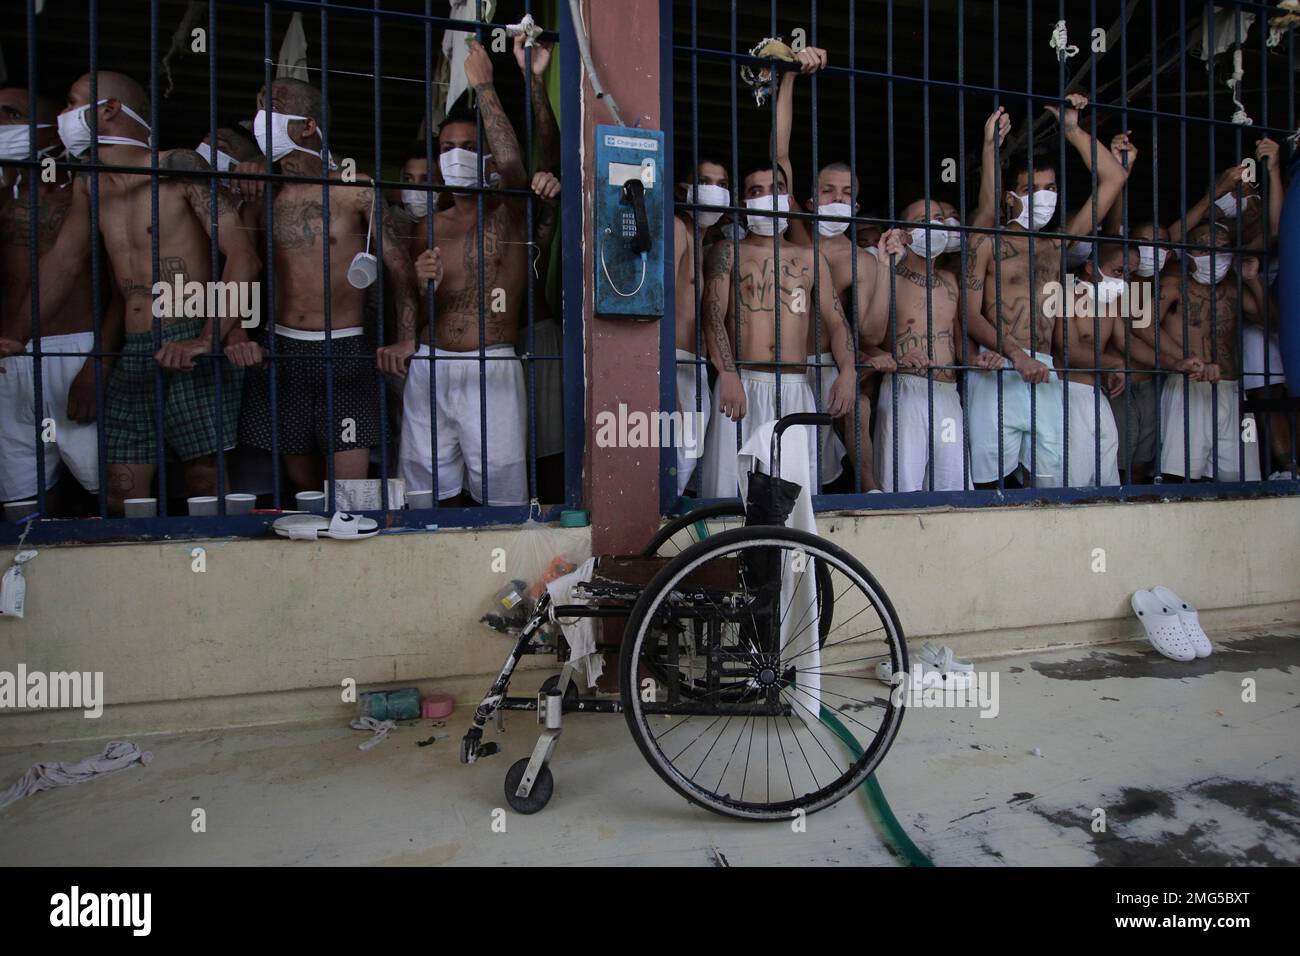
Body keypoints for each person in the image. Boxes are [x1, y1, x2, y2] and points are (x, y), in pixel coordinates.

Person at [16, 72, 257, 514]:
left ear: (107, 109)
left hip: (193, 330)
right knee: (120, 486)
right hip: (134, 344)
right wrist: (16, 334)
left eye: (71, 104)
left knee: (203, 478)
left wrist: (209, 337)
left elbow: (242, 256)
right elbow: (64, 262)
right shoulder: (90, 184)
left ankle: (209, 573)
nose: (63, 116)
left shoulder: (177, 165)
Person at [226, 77, 418, 495]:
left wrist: (405, 340)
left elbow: (399, 268)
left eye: (273, 106)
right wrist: (237, 330)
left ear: (308, 125)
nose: (262, 118)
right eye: (259, 107)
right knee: (304, 487)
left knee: (350, 492)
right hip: (279, 348)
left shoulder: (354, 190)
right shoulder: (261, 192)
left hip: (346, 349)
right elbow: (242, 264)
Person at [961, 95, 1127, 488]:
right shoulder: (987, 244)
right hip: (996, 366)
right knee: (989, 487)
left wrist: (1073, 129)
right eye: (1032, 188)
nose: (1044, 196)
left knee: (1053, 484)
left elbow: (1114, 179)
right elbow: (968, 315)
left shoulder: (1057, 244)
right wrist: (1014, 356)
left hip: (1044, 372)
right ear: (1011, 196)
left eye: (1050, 188)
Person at [399, 40, 532, 507]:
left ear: (487, 155)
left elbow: (516, 169)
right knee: (422, 493)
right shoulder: (427, 225)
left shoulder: (508, 214)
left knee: (502, 491)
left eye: (469, 148)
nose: (456, 156)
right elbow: (410, 303)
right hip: (430, 364)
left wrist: (486, 88)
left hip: (490, 363)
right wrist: (419, 283)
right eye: (447, 148)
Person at [697, 162, 857, 498]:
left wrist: (849, 371)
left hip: (797, 388)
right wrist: (726, 373)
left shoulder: (811, 259)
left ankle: (791, 554)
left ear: (788, 198)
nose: (767, 198)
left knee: (794, 497)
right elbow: (713, 313)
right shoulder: (728, 252)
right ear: (743, 203)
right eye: (756, 191)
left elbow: (838, 320)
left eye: (775, 189)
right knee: (729, 492)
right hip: (741, 385)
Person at [0, 87, 116, 511]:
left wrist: (97, 361)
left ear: (50, 126)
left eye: (10, 114)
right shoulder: (7, 190)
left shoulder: (87, 188)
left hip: (76, 352)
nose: (0, 124)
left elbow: (123, 285)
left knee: (110, 494)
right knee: (21, 504)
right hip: (10, 362)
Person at [774, 47, 881, 490]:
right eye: (828, 192)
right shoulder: (800, 234)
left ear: (856, 205)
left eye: (846, 193)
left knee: (860, 406)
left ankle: (871, 489)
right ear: (813, 199)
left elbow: (870, 332)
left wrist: (854, 368)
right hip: (794, 362)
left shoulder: (863, 260)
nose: (836, 200)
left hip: (840, 362)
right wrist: (791, 77)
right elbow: (780, 156)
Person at [867, 209, 997, 492]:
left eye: (938, 218)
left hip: (948, 394)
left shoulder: (950, 280)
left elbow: (958, 338)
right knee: (902, 487)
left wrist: (977, 359)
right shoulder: (890, 277)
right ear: (904, 232)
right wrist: (899, 359)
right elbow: (868, 336)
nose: (934, 225)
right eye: (922, 220)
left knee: (952, 486)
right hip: (906, 390)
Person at [1154, 223, 1264, 482]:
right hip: (1190, 384)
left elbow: (1271, 321)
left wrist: (1254, 280)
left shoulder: (1235, 288)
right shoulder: (1174, 284)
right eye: (1205, 248)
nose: (1215, 254)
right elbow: (1142, 327)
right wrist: (1181, 360)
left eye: (1223, 248)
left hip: (1234, 389)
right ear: (1190, 253)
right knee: (1181, 475)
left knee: (1244, 479)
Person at [673, 155, 730, 495]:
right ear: (686, 189)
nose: (714, 191)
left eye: (721, 185)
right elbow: (659, 308)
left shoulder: (707, 244)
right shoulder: (679, 231)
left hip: (695, 370)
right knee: (674, 465)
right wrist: (666, 388)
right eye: (706, 182)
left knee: (686, 463)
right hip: (675, 367)